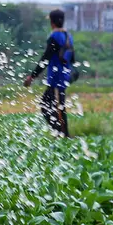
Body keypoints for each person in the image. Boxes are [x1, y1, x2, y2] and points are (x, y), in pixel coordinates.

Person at [24, 9, 77, 137]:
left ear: (52, 22)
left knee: (53, 106)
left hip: (56, 78)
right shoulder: (68, 36)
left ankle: (62, 134)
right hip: (64, 76)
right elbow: (73, 59)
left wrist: (32, 76)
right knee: (53, 105)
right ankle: (61, 132)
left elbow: (46, 58)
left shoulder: (54, 37)